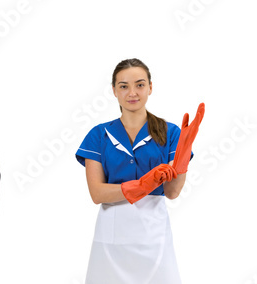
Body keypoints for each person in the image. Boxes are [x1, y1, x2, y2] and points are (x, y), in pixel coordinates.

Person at [75, 58, 203, 284]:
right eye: (123, 86)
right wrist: (141, 185)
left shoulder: (171, 133)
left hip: (154, 238)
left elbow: (172, 192)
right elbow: (96, 193)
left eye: (140, 84)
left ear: (150, 88)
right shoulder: (99, 135)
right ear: (114, 90)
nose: (132, 92)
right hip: (111, 239)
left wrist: (181, 162)